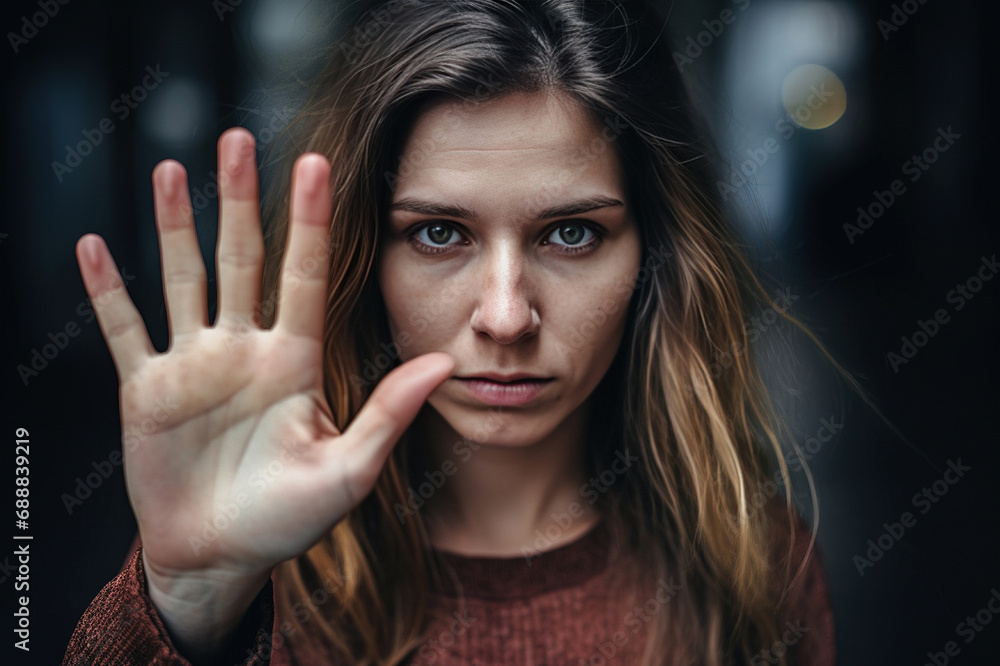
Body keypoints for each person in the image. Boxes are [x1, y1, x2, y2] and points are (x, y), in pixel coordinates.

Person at [63, 0, 840, 664]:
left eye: (571, 234)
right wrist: (185, 605)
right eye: (439, 234)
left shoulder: (758, 565)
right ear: (363, 256)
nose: (505, 317)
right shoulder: (253, 563)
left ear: (655, 254)